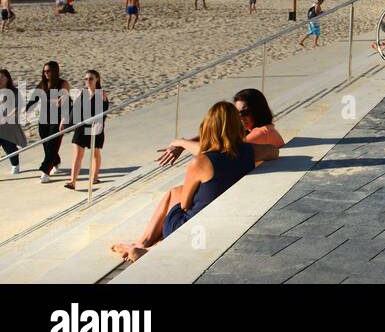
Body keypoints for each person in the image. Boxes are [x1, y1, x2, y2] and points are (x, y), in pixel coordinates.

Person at [112, 101, 279, 262]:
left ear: (208, 127)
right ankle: (146, 245)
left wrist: (180, 143)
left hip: (195, 228)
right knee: (176, 191)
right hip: (226, 215)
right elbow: (273, 151)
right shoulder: (249, 151)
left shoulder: (200, 162)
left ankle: (145, 244)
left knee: (177, 199)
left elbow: (185, 204)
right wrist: (182, 143)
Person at [158, 88, 285, 167]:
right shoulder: (255, 128)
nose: (240, 117)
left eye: (244, 113)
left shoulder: (261, 133)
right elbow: (216, 134)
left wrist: (180, 142)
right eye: (237, 113)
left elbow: (215, 154)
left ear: (258, 111)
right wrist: (181, 146)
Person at [26, 61, 70, 182]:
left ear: (55, 71)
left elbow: (66, 100)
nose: (46, 73)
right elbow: (34, 98)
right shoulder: (43, 84)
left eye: (48, 71)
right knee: (46, 143)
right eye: (44, 71)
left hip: (58, 119)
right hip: (44, 118)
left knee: (52, 144)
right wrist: (27, 109)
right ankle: (56, 161)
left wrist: (64, 119)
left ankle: (46, 171)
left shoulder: (63, 83)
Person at [66, 70, 108, 190]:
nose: (88, 81)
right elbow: (75, 109)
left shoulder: (101, 94)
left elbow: (104, 111)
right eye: (86, 79)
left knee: (95, 153)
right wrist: (68, 123)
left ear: (97, 80)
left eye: (90, 79)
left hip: (95, 127)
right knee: (78, 154)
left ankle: (95, 176)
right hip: (81, 126)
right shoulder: (83, 93)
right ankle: (72, 181)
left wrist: (98, 123)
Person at [1, 69, 28, 174]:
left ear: (8, 78)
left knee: (9, 145)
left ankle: (15, 165)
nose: (1, 79)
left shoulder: (14, 92)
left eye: (3, 77)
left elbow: (18, 107)